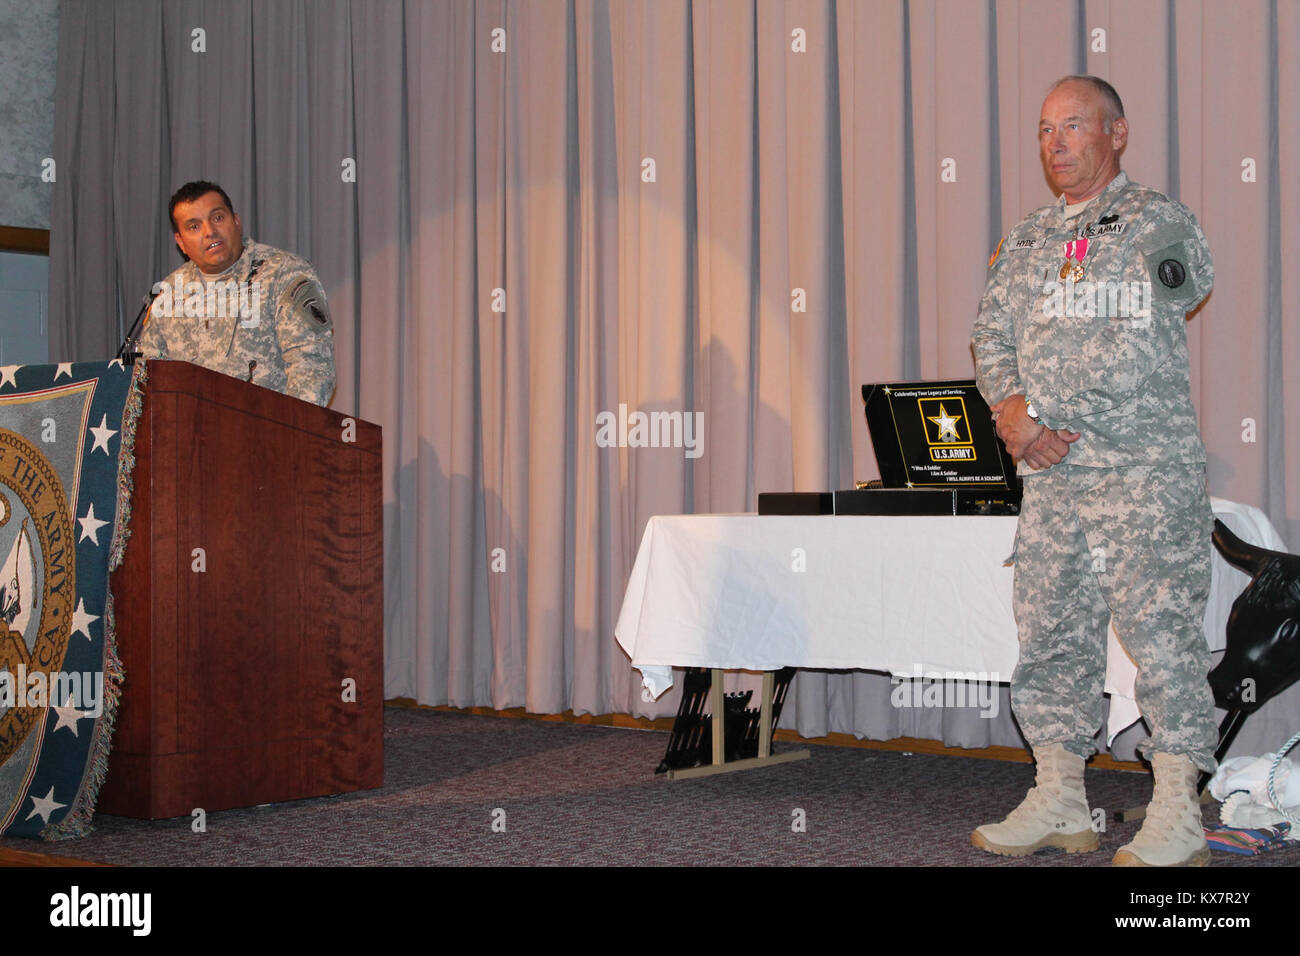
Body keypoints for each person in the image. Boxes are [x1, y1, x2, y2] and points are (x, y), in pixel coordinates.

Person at [970, 76, 1218, 866]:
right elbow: (990, 336)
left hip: (1140, 474)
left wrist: (1040, 412)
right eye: (1045, 128)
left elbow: (1140, 338)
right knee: (1049, 637)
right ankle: (1060, 797)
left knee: (1163, 641)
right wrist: (1011, 412)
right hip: (1052, 482)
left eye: (1073, 126)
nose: (1056, 142)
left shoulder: (1157, 223)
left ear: (1117, 132)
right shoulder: (1030, 237)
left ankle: (1178, 808)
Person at [137, 181, 336, 407]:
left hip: (267, 434)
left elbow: (312, 369)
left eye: (218, 218)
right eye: (194, 226)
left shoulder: (284, 273)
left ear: (236, 221)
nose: (209, 231)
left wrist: (287, 434)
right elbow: (148, 381)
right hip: (190, 438)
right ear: (181, 242)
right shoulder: (168, 293)